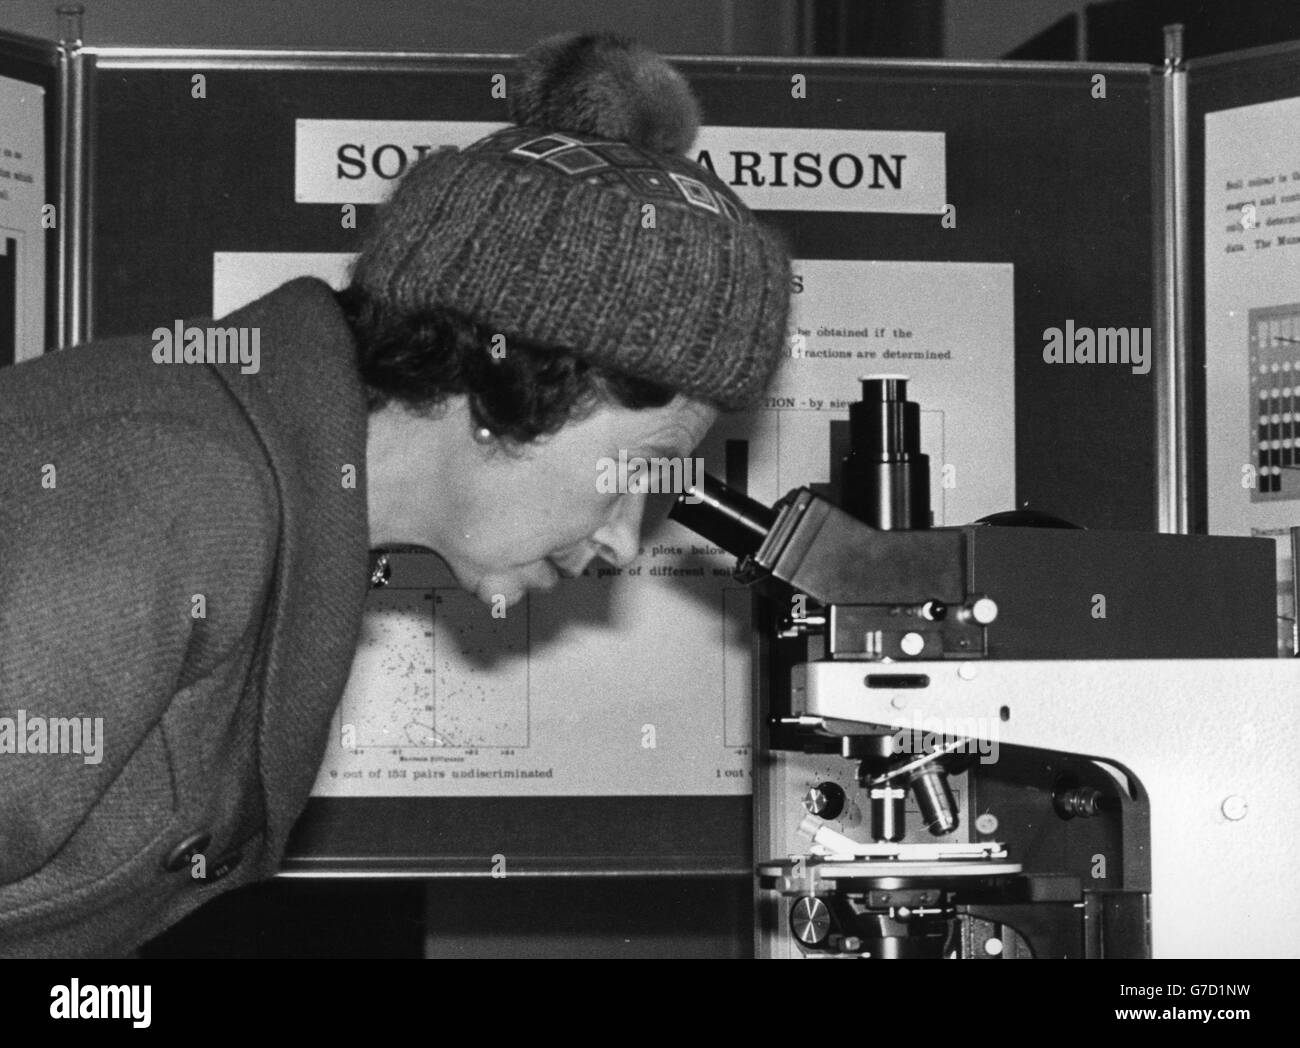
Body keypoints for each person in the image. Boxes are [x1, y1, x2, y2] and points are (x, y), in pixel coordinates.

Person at [0, 32, 790, 956]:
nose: (621, 541)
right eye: (639, 471)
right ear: (517, 386)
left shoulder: (286, 509)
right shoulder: (166, 487)